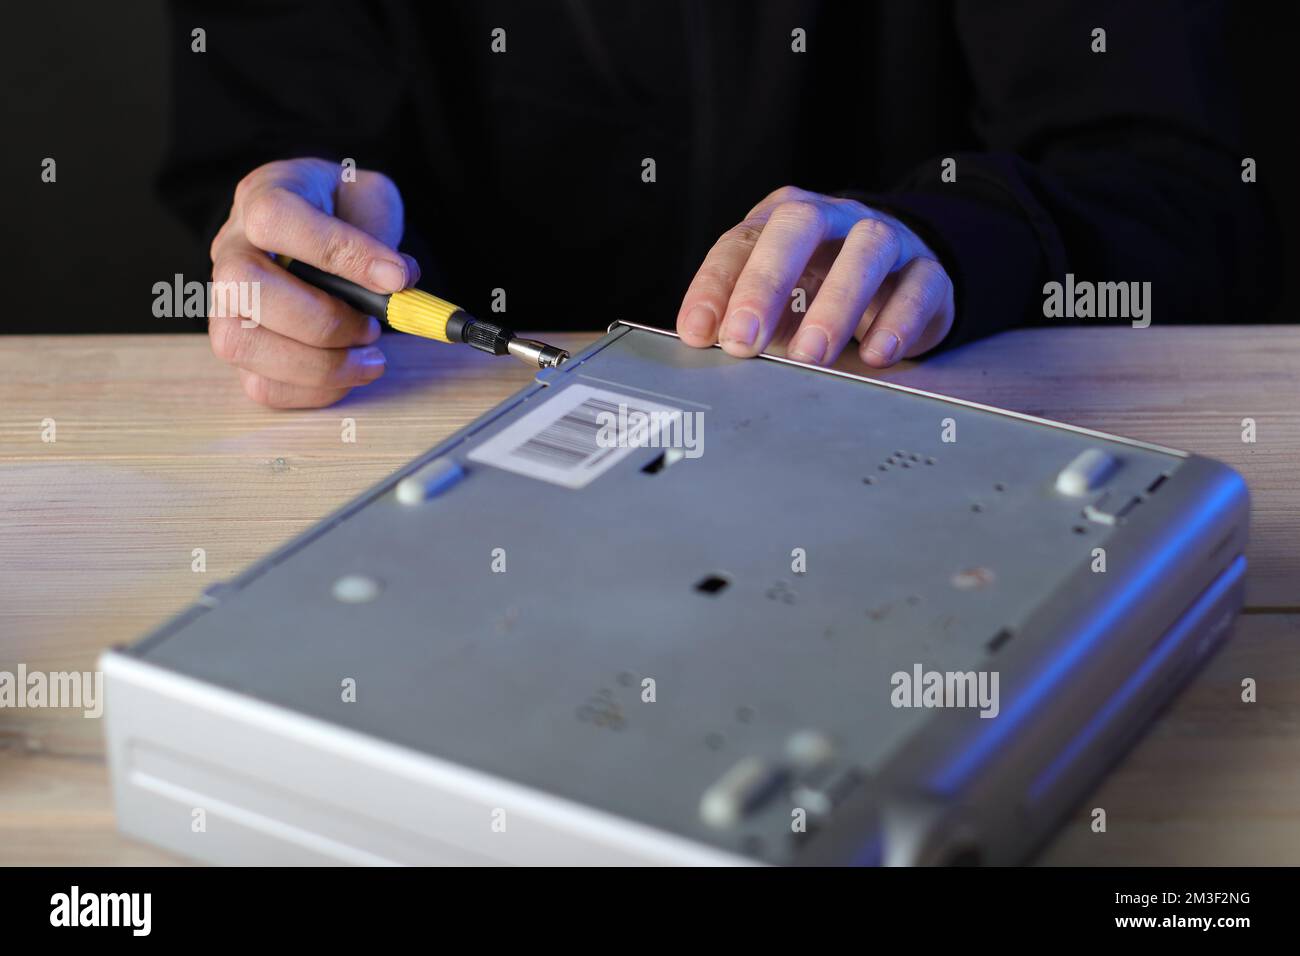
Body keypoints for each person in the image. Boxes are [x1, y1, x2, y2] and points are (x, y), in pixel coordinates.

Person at [160, 0, 1273, 408]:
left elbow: (1178, 188)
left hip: (904, 435)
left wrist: (946, 239)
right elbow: (261, 155)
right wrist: (297, 237)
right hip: (447, 428)